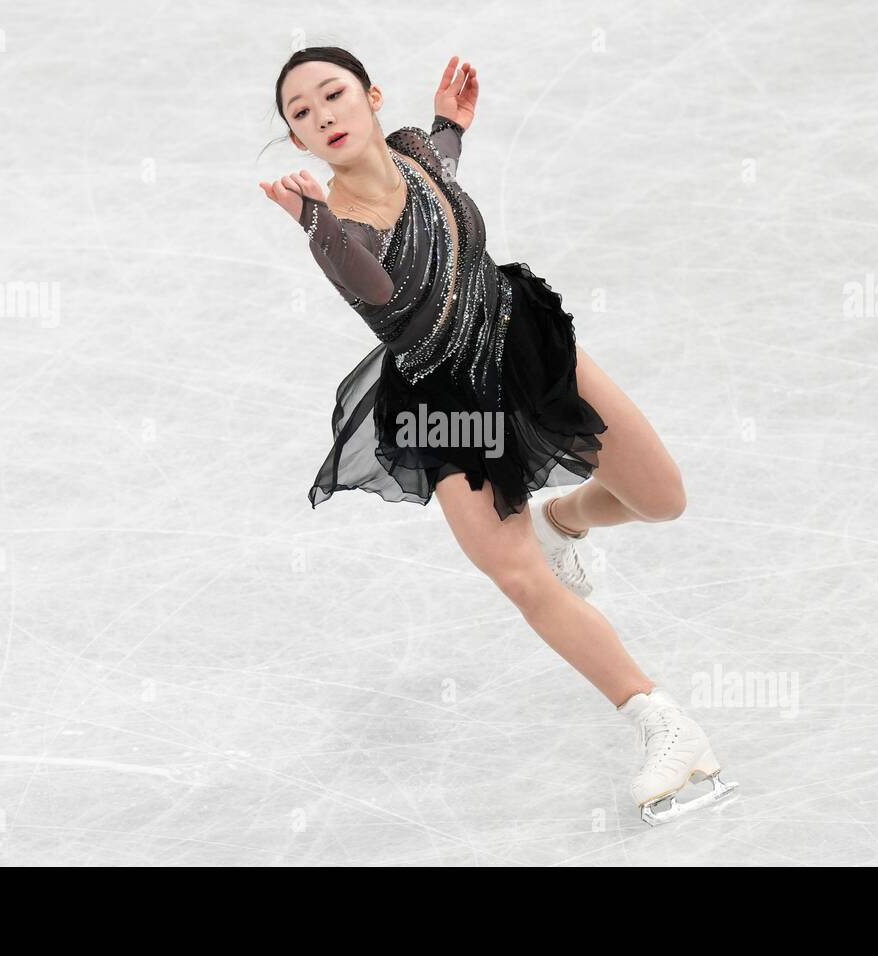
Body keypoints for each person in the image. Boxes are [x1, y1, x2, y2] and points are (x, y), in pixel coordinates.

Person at [258, 47, 736, 823]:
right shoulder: (336, 228)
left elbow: (440, 175)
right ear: (300, 144)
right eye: (301, 115)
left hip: (522, 338)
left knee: (662, 498)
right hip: (447, 404)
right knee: (519, 578)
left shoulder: (413, 148)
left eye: (333, 95)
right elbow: (386, 293)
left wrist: (451, 125)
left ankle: (563, 519)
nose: (322, 116)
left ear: (373, 97)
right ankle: (662, 722)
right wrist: (314, 219)